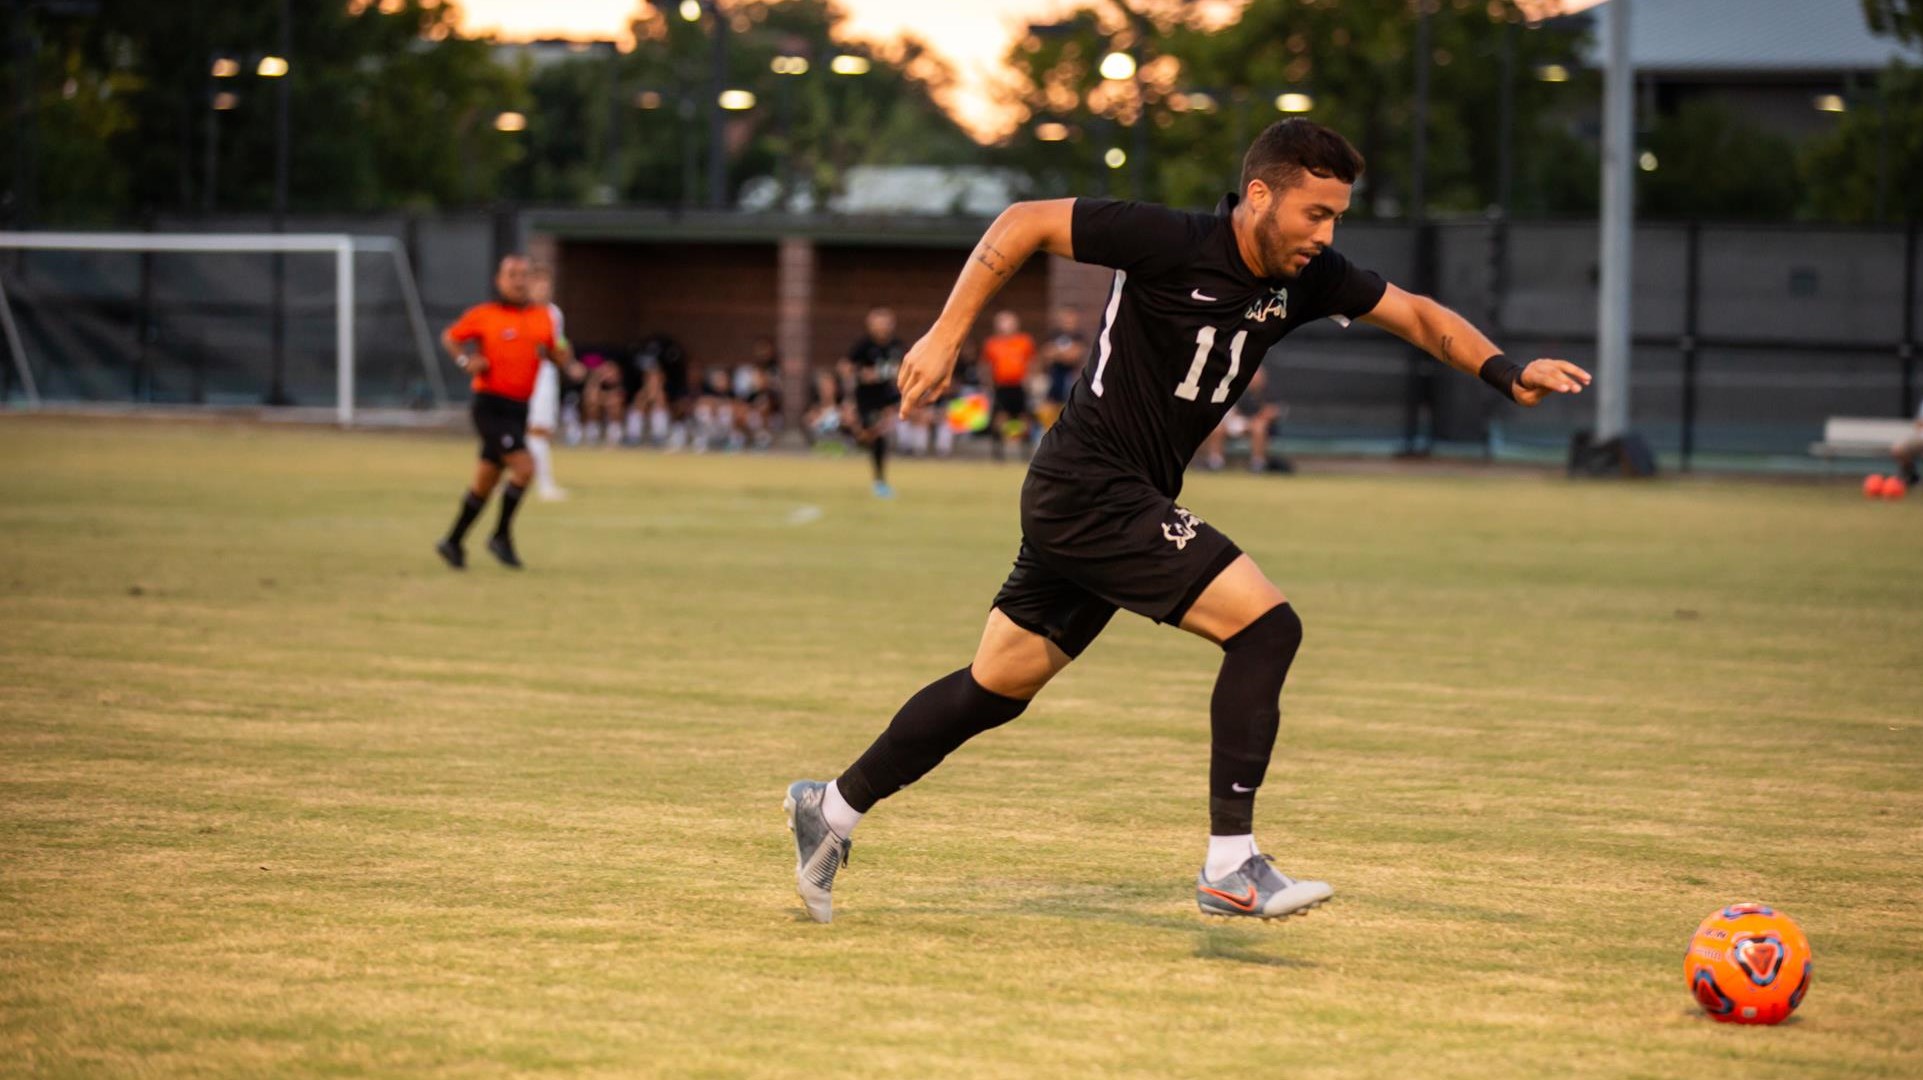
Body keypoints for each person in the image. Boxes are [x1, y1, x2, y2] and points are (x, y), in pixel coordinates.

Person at [782, 119, 1592, 923]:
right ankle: (1231, 866)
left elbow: (1412, 313)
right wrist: (945, 334)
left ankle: (832, 808)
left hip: (1108, 496)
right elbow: (1023, 220)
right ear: (1259, 195)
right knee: (1265, 628)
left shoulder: (1308, 278)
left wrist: (1504, 371)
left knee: (996, 685)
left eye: (1337, 217)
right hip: (1090, 487)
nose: (1326, 234)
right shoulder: (1167, 240)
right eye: (1315, 213)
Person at [435, 254, 565, 571]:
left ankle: (452, 541)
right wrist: (466, 361)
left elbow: (556, 353)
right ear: (499, 280)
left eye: (524, 275)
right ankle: (500, 536)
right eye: (512, 275)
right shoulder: (485, 315)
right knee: (525, 468)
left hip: (520, 408)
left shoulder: (543, 317)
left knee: (485, 482)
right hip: (491, 406)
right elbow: (451, 337)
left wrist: (564, 355)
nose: (519, 281)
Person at [524, 263, 581, 499]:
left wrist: (570, 362)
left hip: (543, 376)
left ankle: (543, 483)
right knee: (514, 428)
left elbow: (559, 343)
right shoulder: (520, 312)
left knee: (541, 428)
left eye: (546, 284)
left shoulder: (554, 314)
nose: (542, 289)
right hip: (518, 374)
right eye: (537, 284)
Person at [842, 306, 906, 497]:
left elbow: (905, 366)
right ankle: (856, 438)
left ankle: (879, 481)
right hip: (867, 399)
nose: (882, 327)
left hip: (889, 397)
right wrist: (861, 375)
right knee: (870, 436)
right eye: (878, 323)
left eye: (885, 323)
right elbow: (845, 367)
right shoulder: (864, 346)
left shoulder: (897, 346)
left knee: (879, 437)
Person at [1199, 366, 1285, 473]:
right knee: (1217, 429)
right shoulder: (1241, 392)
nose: (1254, 380)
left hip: (1260, 427)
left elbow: (1275, 411)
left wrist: (1261, 416)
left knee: (1258, 427)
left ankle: (1258, 464)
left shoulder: (1270, 392)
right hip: (1241, 423)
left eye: (1257, 377)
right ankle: (1215, 462)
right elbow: (1233, 411)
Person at [981, 310, 1039, 461]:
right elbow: (986, 365)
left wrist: (1030, 379)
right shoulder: (992, 343)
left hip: (1019, 386)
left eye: (1009, 322)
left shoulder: (1024, 341)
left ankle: (1025, 452)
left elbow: (1032, 361)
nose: (1006, 326)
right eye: (1003, 322)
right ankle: (998, 453)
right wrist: (988, 383)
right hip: (1001, 386)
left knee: (1024, 418)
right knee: (1000, 418)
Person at [1038, 306, 1089, 429]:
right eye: (1065, 319)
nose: (1068, 322)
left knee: (1069, 410)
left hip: (1071, 378)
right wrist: (1063, 354)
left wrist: (1056, 353)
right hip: (1054, 377)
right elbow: (1045, 353)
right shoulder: (1054, 334)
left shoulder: (1079, 336)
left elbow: (1074, 356)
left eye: (1070, 319)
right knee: (1046, 409)